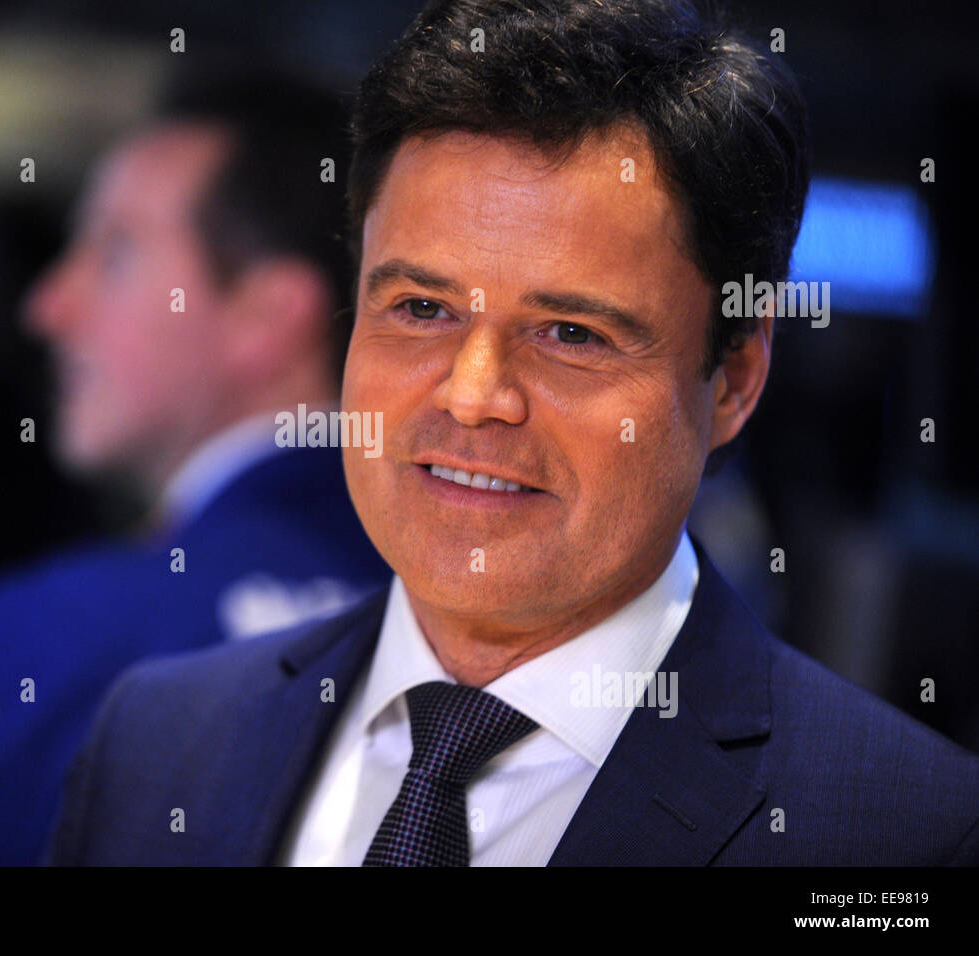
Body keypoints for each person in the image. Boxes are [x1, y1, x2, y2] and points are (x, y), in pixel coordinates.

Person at [48, 0, 979, 866]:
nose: (473, 394)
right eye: (421, 308)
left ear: (732, 378)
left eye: (572, 334)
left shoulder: (900, 833)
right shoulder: (157, 744)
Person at [0, 68, 390, 865]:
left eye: (114, 252)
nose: (48, 307)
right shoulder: (459, 630)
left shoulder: (64, 629)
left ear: (266, 318)